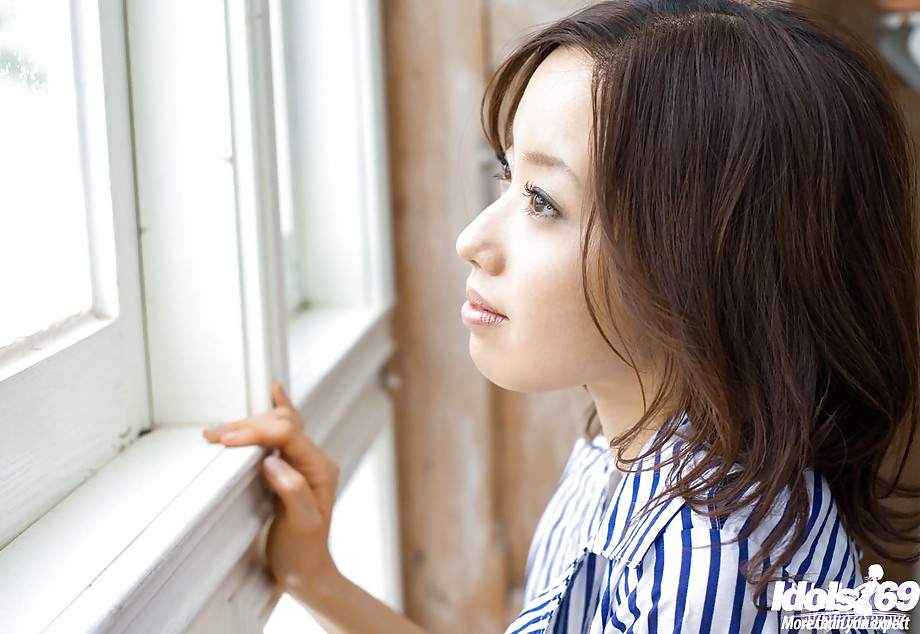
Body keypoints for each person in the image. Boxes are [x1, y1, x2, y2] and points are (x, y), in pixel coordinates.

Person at [203, 0, 920, 631]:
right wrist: (314, 578)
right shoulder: (631, 459)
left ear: (702, 266)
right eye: (506, 177)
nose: (472, 240)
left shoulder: (709, 562)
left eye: (543, 202)